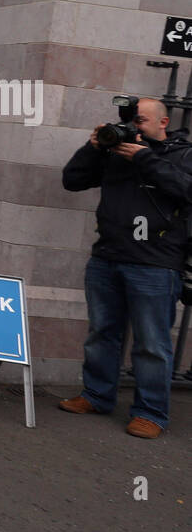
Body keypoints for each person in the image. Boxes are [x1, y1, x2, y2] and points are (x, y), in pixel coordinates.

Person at [60, 98, 191, 439]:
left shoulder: (182, 154)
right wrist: (92, 149)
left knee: (152, 343)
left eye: (141, 121)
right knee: (102, 333)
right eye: (131, 123)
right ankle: (96, 395)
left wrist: (145, 158)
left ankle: (150, 413)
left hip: (156, 263)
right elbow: (72, 180)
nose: (134, 128)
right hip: (107, 257)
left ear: (163, 123)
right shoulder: (113, 154)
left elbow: (187, 190)